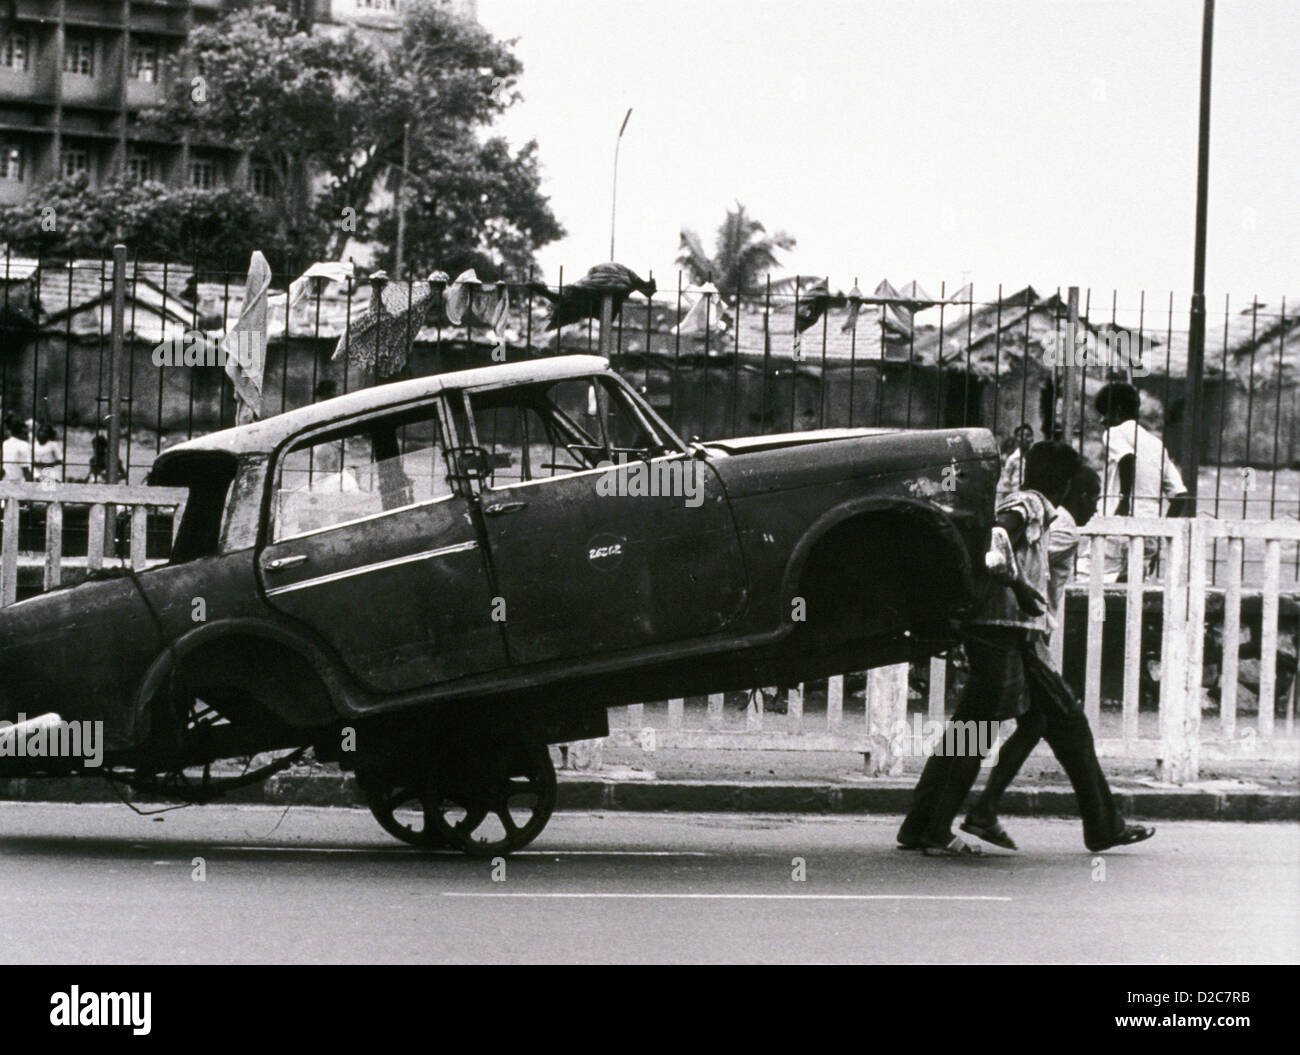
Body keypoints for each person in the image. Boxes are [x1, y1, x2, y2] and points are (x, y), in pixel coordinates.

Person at [962, 464, 1155, 853]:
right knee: (1071, 728)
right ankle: (1103, 826)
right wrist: (1019, 586)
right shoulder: (1060, 524)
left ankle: (973, 811)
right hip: (1023, 637)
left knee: (1028, 724)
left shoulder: (1050, 518)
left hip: (1018, 634)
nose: (1094, 507)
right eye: (1092, 497)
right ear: (1074, 493)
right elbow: (1009, 549)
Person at [897, 441, 1073, 856]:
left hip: (994, 630)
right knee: (976, 734)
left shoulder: (1030, 505)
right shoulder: (1030, 504)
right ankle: (936, 830)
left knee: (966, 730)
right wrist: (1023, 588)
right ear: (1062, 485)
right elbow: (995, 543)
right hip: (999, 630)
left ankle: (920, 823)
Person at [1094, 381, 1191, 580]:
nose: (1102, 421)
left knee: (1099, 581)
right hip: (1149, 527)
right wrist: (1161, 533)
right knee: (1135, 588)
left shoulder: (1114, 433)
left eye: (1105, 413)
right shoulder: (1156, 444)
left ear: (1118, 410)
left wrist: (1124, 500)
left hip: (1117, 522)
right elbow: (1181, 495)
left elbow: (1127, 458)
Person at [996, 423, 1034, 503]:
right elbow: (1006, 480)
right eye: (1020, 435)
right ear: (1016, 438)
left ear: (1032, 438)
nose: (1024, 438)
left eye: (1028, 435)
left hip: (1032, 496)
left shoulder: (1035, 457)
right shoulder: (1013, 458)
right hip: (1016, 495)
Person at [1, 415, 31, 481]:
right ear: (18, 433)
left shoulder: (4, 443)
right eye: (25, 434)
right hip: (18, 481)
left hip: (4, 480)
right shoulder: (24, 445)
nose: (27, 436)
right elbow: (26, 469)